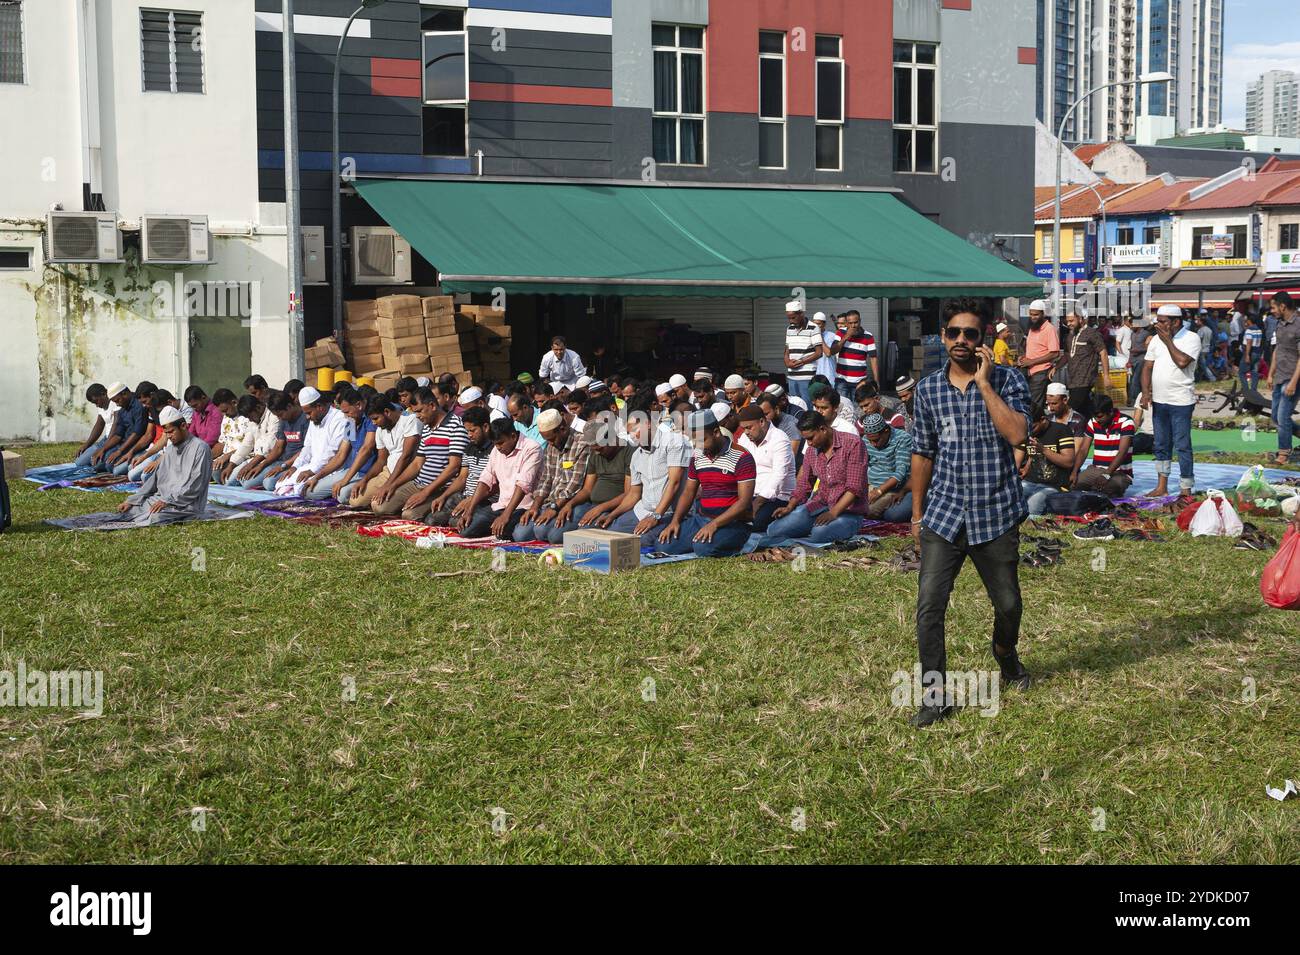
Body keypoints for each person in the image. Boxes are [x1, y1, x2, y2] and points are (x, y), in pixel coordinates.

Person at [910, 297, 1031, 728]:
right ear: (943, 338)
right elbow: (923, 452)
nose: (962, 340)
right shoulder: (926, 390)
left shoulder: (1010, 381)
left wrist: (985, 384)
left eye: (971, 334)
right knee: (929, 606)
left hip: (995, 512)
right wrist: (917, 513)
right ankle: (934, 694)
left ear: (985, 340)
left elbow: (1018, 435)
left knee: (1009, 604)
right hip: (943, 516)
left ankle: (1004, 653)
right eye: (954, 333)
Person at [757, 410, 868, 547]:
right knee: (774, 529)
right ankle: (806, 532)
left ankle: (813, 533)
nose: (808, 443)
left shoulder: (853, 444)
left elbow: (854, 487)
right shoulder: (811, 451)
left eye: (811, 438)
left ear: (823, 429)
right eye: (806, 439)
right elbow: (804, 483)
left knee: (819, 534)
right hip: (820, 504)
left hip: (848, 511)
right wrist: (790, 506)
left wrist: (833, 513)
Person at [658, 409, 755, 557]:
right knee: (663, 544)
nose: (698, 445)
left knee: (703, 549)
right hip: (701, 519)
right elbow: (689, 492)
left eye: (702, 440)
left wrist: (714, 524)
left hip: (733, 523)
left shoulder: (742, 457)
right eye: (694, 441)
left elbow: (744, 502)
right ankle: (701, 538)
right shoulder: (697, 456)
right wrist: (675, 521)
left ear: (716, 432)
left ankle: (743, 542)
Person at [610, 394, 693, 546]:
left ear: (647, 424)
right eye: (629, 434)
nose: (632, 437)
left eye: (634, 431)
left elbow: (674, 483)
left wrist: (655, 516)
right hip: (643, 510)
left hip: (669, 512)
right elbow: (634, 494)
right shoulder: (636, 456)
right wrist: (612, 515)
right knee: (611, 534)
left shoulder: (674, 442)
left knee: (640, 541)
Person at [373, 387, 467, 520]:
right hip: (418, 483)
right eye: (415, 412)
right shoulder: (427, 427)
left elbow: (453, 467)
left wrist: (426, 492)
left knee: (409, 515)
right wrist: (392, 484)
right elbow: (417, 463)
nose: (417, 416)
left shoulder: (456, 426)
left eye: (419, 411)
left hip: (440, 488)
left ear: (432, 405)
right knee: (378, 505)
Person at [111, 406, 212, 526]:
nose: (168, 436)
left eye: (171, 431)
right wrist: (132, 501)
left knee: (154, 517)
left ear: (183, 426)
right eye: (166, 433)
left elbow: (196, 485)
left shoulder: (200, 448)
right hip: (163, 499)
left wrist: (167, 501)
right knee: (130, 511)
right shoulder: (170, 450)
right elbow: (153, 481)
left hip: (187, 504)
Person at [1141, 304, 1200, 496]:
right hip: (1159, 400)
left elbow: (1182, 362)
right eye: (1157, 321)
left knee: (1182, 445)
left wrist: (1168, 341)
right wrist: (1145, 392)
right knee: (1161, 444)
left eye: (1163, 321)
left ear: (1176, 322)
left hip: (1181, 401)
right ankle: (1161, 486)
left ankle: (1185, 488)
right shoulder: (1156, 340)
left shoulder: (1191, 338)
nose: (1159, 325)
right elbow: (1147, 367)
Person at [512, 408, 593, 543]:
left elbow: (575, 485)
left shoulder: (582, 443)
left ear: (562, 428)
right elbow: (545, 480)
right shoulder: (551, 446)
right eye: (547, 440)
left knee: (546, 532)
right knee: (520, 535)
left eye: (551, 439)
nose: (550, 444)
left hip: (572, 502)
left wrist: (554, 508)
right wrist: (535, 507)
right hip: (551, 502)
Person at [455, 416, 541, 539]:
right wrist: (469, 510)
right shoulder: (496, 450)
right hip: (501, 505)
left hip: (523, 507)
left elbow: (523, 485)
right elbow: (485, 479)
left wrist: (505, 516)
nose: (498, 447)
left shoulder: (532, 448)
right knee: (466, 530)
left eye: (501, 443)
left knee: (510, 534)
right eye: (495, 444)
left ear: (513, 436)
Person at [274, 386, 354, 498]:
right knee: (279, 483)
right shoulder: (314, 419)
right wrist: (295, 466)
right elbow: (307, 447)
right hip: (313, 466)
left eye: (308, 413)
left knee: (310, 492)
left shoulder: (342, 419)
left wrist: (313, 471)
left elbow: (332, 453)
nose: (306, 417)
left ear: (319, 407)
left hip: (332, 468)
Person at [349, 395, 423, 509]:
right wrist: (364, 480)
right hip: (388, 472)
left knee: (379, 507)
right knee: (355, 501)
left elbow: (406, 456)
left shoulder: (410, 421)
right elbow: (381, 460)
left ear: (387, 412)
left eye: (375, 418)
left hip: (405, 474)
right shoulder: (380, 429)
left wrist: (388, 485)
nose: (374, 423)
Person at [426, 406, 494, 526]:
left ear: (485, 427)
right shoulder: (469, 448)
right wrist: (443, 496)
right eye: (467, 431)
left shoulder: (495, 450)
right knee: (432, 520)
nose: (469, 435)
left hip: (485, 499)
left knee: (456, 523)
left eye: (473, 431)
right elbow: (462, 477)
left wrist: (473, 500)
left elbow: (495, 485)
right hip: (464, 496)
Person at [736, 404, 797, 532]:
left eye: (749, 427)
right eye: (743, 429)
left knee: (754, 523)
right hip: (750, 495)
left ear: (762, 422)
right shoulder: (744, 439)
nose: (746, 432)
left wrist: (757, 503)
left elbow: (779, 476)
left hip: (777, 498)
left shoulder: (780, 439)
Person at [571, 413, 634, 530]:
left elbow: (628, 493)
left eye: (600, 449)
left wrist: (601, 508)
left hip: (614, 507)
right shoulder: (596, 454)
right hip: (592, 505)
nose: (597, 453)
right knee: (549, 530)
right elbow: (587, 489)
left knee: (584, 532)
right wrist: (569, 504)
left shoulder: (629, 453)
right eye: (595, 450)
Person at [1070, 395, 1135, 498]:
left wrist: (1107, 474)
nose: (1097, 419)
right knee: (1074, 485)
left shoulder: (1126, 422)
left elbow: (1122, 452)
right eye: (1095, 416)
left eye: (1100, 416)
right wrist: (1074, 472)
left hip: (1119, 473)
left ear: (1110, 412)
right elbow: (1083, 449)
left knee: (1109, 489)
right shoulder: (1093, 422)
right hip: (1095, 470)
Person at [1016, 407, 1076, 517]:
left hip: (1055, 485)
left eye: (1033, 427)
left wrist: (1043, 449)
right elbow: (1017, 461)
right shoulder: (1026, 433)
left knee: (1032, 507)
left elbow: (1068, 462)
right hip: (1030, 482)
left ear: (1043, 419)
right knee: (1012, 499)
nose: (1030, 431)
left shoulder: (1061, 430)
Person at [326, 388, 378, 504]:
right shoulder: (351, 422)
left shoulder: (370, 419)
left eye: (347, 412)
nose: (346, 416)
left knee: (343, 496)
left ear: (359, 405)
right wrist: (317, 477)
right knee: (312, 491)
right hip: (351, 471)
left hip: (366, 472)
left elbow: (366, 449)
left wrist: (345, 480)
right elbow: (341, 455)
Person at [1267, 291, 1300, 466]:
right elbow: (1278, 350)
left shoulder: (1298, 324)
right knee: (1275, 416)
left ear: (1282, 306)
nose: (1271, 311)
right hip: (1279, 376)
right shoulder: (1279, 324)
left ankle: (1283, 453)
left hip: (1293, 377)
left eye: (1273, 307)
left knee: (1282, 416)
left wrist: (1293, 382)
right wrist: (1270, 374)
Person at [228, 391, 286, 488]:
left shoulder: (273, 416)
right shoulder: (253, 420)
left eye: (249, 416)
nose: (250, 420)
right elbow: (247, 444)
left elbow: (270, 446)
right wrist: (231, 464)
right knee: (230, 481)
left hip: (271, 459)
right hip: (256, 459)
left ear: (258, 408)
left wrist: (252, 465)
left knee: (247, 484)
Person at [862, 413, 913, 520]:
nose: (873, 444)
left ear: (886, 431)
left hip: (892, 488)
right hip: (871, 485)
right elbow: (861, 466)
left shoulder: (903, 439)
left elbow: (901, 472)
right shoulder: (866, 440)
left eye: (876, 440)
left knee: (868, 511)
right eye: (870, 440)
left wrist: (879, 491)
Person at [92, 382, 149, 475]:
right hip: (124, 444)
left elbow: (137, 433)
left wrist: (120, 451)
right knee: (97, 464)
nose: (117, 404)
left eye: (117, 400)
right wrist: (104, 448)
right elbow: (118, 435)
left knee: (112, 468)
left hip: (136, 445)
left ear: (124, 393)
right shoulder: (122, 409)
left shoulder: (139, 405)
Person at [257, 392, 310, 492]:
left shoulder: (306, 419)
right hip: (282, 462)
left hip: (296, 463)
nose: (280, 418)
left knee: (269, 483)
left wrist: (284, 466)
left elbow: (307, 449)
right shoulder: (284, 419)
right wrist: (262, 465)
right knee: (247, 481)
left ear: (289, 406)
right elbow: (278, 447)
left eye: (281, 414)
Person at [1017, 299, 1060, 416]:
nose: (1033, 317)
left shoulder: (1049, 329)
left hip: (1041, 372)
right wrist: (1023, 358)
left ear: (1043, 314)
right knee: (1026, 401)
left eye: (1036, 314)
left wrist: (1032, 361)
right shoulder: (1032, 328)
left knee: (1035, 405)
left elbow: (1054, 353)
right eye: (1031, 314)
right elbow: (1033, 350)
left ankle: (1037, 429)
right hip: (1028, 371)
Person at [1062, 307, 1108, 417]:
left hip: (1085, 378)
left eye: (1071, 320)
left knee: (1070, 409)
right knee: (1085, 410)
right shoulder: (1070, 335)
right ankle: (1091, 428)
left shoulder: (1092, 333)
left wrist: (1106, 376)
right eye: (1067, 321)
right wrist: (1056, 367)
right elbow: (1067, 354)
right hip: (1073, 379)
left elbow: (1103, 353)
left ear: (1081, 319)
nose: (1069, 324)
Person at [830, 309, 880, 402]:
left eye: (856, 322)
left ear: (860, 321)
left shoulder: (868, 336)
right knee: (843, 408)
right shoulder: (841, 333)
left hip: (860, 382)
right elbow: (832, 351)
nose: (853, 325)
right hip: (842, 380)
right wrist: (845, 337)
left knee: (858, 409)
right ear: (847, 323)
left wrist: (876, 380)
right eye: (850, 323)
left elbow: (873, 358)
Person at [213, 393, 259, 484]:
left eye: (225, 410)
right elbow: (222, 442)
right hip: (227, 458)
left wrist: (228, 456)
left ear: (234, 403)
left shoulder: (247, 417)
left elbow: (249, 446)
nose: (224, 414)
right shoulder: (226, 418)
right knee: (210, 471)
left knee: (229, 479)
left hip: (245, 456)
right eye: (222, 412)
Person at [783, 301, 822, 404]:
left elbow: (819, 353)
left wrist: (801, 362)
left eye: (793, 317)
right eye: (789, 318)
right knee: (795, 405)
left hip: (807, 376)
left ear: (801, 314)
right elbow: (787, 350)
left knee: (807, 405)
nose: (791, 321)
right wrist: (787, 362)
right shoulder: (789, 328)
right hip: (791, 376)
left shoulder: (813, 328)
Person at [74, 383, 118, 468]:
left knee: (96, 465)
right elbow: (99, 425)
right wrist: (87, 444)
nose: (97, 405)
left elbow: (116, 425)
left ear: (103, 394)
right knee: (79, 462)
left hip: (114, 440)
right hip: (106, 438)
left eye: (96, 401)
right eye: (94, 403)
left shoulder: (115, 402)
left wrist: (104, 448)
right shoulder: (101, 406)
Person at [809, 312, 839, 384]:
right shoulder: (810, 336)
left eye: (818, 324)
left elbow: (828, 353)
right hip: (814, 375)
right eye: (814, 324)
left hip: (829, 374)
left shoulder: (832, 336)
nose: (816, 326)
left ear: (824, 324)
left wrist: (819, 336)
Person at [1240, 313, 1262, 392]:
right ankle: (1253, 390)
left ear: (1250, 321)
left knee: (1242, 372)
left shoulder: (1249, 330)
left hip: (1250, 352)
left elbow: (1249, 341)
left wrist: (1247, 355)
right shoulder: (1259, 330)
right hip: (1257, 352)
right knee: (1254, 371)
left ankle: (1246, 390)